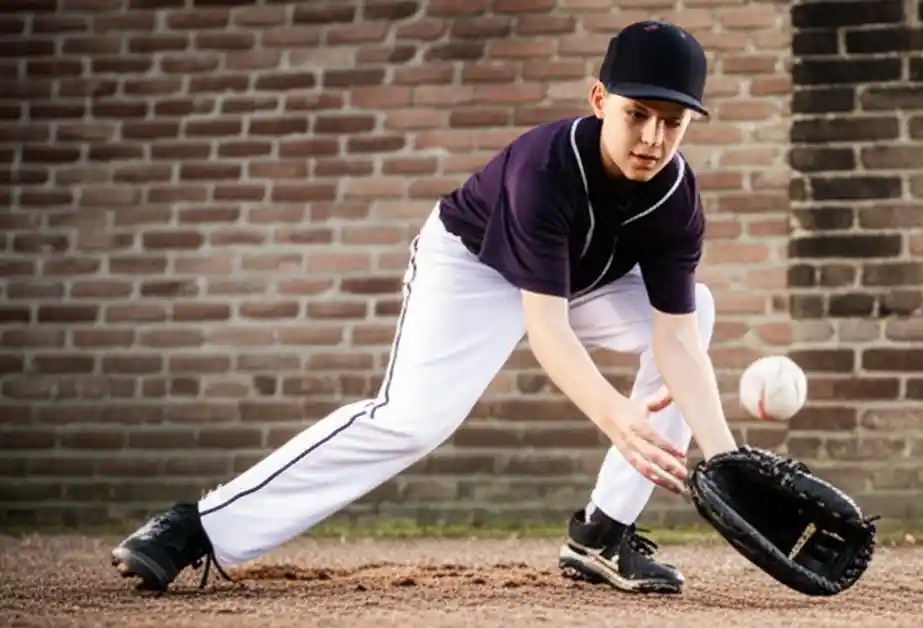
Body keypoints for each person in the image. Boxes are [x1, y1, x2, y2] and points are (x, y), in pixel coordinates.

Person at [111, 20, 740, 595]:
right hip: (475, 266)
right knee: (410, 420)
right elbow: (546, 331)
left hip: (581, 281)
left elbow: (678, 341)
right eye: (638, 114)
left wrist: (725, 460)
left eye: (673, 121)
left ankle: (603, 534)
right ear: (599, 100)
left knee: (696, 309)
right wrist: (615, 415)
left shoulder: (678, 198)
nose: (654, 138)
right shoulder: (545, 168)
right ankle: (198, 527)